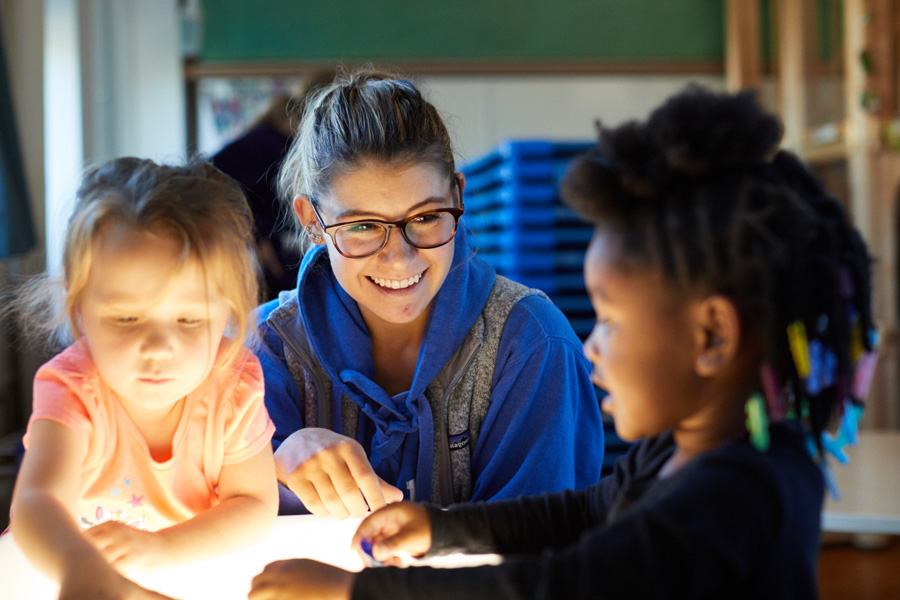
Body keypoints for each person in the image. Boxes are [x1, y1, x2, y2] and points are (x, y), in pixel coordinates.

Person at [247, 85, 879, 600]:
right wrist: (440, 528)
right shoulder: (676, 453)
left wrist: (355, 595)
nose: (592, 346)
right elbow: (577, 511)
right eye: (362, 226)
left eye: (610, 320)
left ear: (712, 336)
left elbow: (563, 583)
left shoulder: (739, 491)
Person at [254, 69, 605, 519]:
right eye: (361, 226)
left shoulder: (532, 345)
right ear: (312, 221)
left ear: (458, 195)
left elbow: (535, 559)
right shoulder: (266, 351)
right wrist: (275, 462)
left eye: (425, 217)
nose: (399, 258)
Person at [9, 158, 279, 599]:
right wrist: (78, 563)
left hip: (188, 574)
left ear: (227, 315)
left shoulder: (233, 381)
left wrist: (161, 548)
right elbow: (36, 502)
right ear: (80, 309)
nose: (156, 347)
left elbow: (254, 506)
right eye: (127, 317)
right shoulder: (70, 387)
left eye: (189, 319)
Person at [211, 71, 334, 301]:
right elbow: (211, 178)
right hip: (274, 270)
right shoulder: (268, 143)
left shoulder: (289, 145)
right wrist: (256, 234)